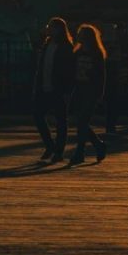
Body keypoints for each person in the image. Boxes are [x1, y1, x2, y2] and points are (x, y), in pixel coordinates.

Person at [33, 16, 77, 163]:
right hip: (44, 87)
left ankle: (58, 151)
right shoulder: (47, 45)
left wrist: (67, 90)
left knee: (61, 121)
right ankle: (50, 145)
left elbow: (70, 71)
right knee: (39, 116)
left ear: (58, 29)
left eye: (51, 27)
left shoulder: (66, 47)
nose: (48, 29)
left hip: (58, 89)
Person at [69, 23, 107, 166]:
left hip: (90, 91)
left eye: (80, 34)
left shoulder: (96, 53)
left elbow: (102, 74)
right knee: (81, 121)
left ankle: (80, 152)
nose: (78, 36)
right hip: (79, 89)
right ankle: (98, 145)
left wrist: (100, 93)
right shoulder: (77, 52)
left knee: (82, 122)